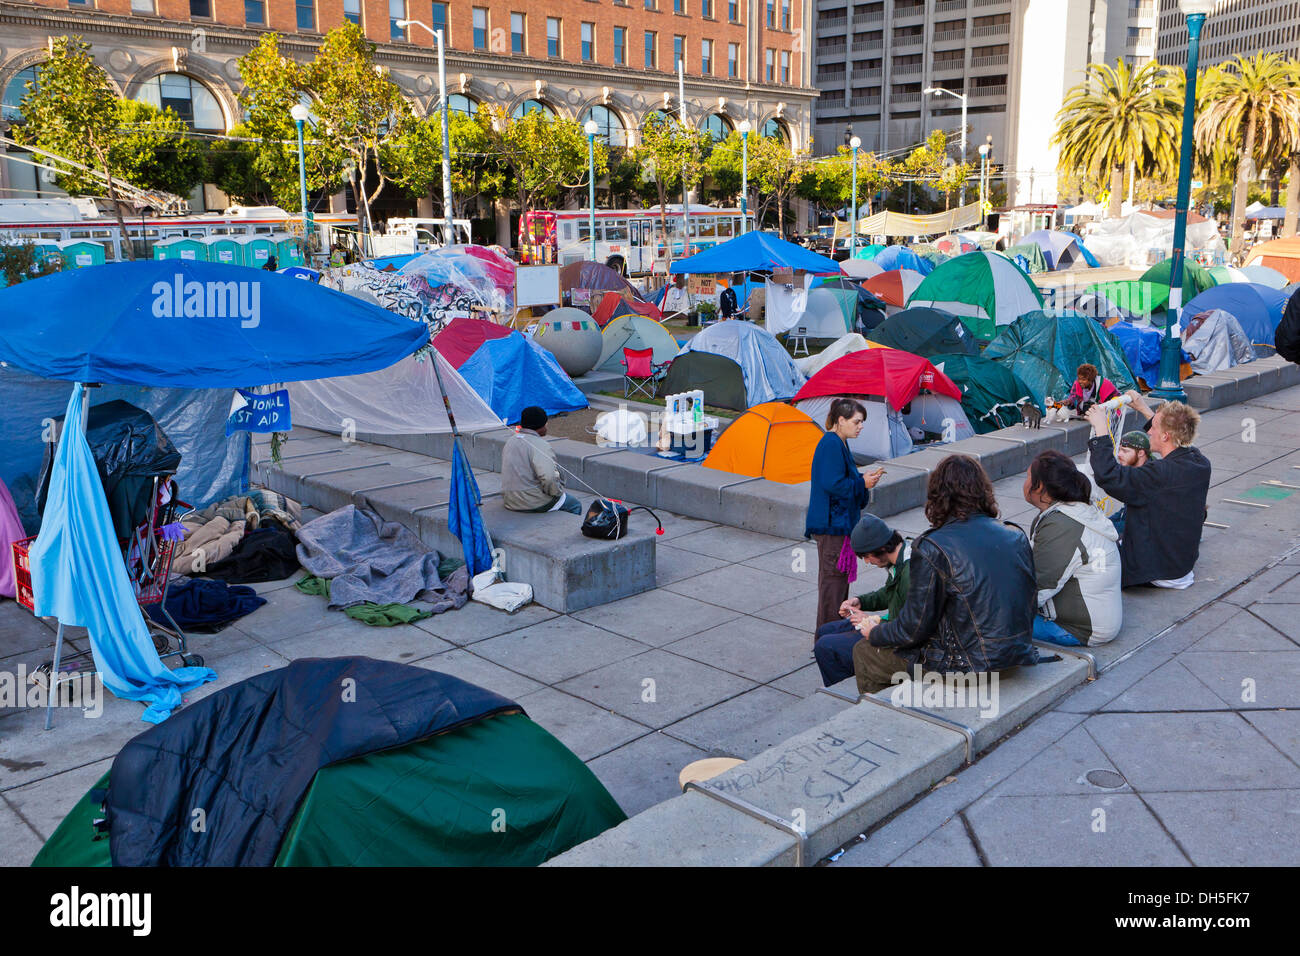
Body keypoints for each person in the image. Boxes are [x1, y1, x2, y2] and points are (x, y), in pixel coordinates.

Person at [852, 455, 1038, 695]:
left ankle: (886, 721)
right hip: (1017, 653)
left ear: (937, 496)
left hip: (968, 667)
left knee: (864, 652)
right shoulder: (1015, 535)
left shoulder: (932, 547)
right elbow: (1030, 601)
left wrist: (875, 633)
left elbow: (913, 629)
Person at [1085, 392, 1210, 589]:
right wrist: (1143, 408)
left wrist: (1101, 428)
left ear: (1165, 435)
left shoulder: (1159, 474)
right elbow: (1173, 435)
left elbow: (1108, 476)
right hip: (1181, 566)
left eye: (1153, 427)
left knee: (1084, 550)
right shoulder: (1199, 462)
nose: (1148, 431)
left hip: (1154, 570)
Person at [1022, 450, 1122, 646]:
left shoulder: (1062, 525)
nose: (1024, 482)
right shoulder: (1075, 510)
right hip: (1099, 621)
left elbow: (1038, 587)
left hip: (1080, 629)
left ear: (1040, 486)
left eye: (1027, 477)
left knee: (982, 620)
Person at [805, 399, 884, 632]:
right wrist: (862, 482)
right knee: (833, 586)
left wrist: (862, 481)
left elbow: (840, 481)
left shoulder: (839, 442)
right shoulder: (831, 443)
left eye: (862, 422)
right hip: (832, 527)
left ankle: (834, 635)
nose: (860, 427)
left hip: (838, 526)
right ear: (841, 420)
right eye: (856, 422)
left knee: (837, 585)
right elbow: (834, 484)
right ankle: (828, 639)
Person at [813, 515, 910, 687]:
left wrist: (873, 624)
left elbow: (913, 627)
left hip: (900, 641)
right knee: (825, 630)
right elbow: (889, 594)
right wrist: (860, 601)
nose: (866, 561)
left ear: (880, 548)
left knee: (825, 647)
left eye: (866, 556)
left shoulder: (910, 572)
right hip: (891, 625)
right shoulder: (898, 561)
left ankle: (852, 691)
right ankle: (857, 674)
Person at [501, 406, 583, 515]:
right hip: (531, 502)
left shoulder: (511, 441)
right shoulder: (540, 445)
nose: (547, 425)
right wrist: (557, 493)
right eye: (546, 422)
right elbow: (549, 478)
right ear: (540, 425)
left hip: (509, 499)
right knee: (575, 504)